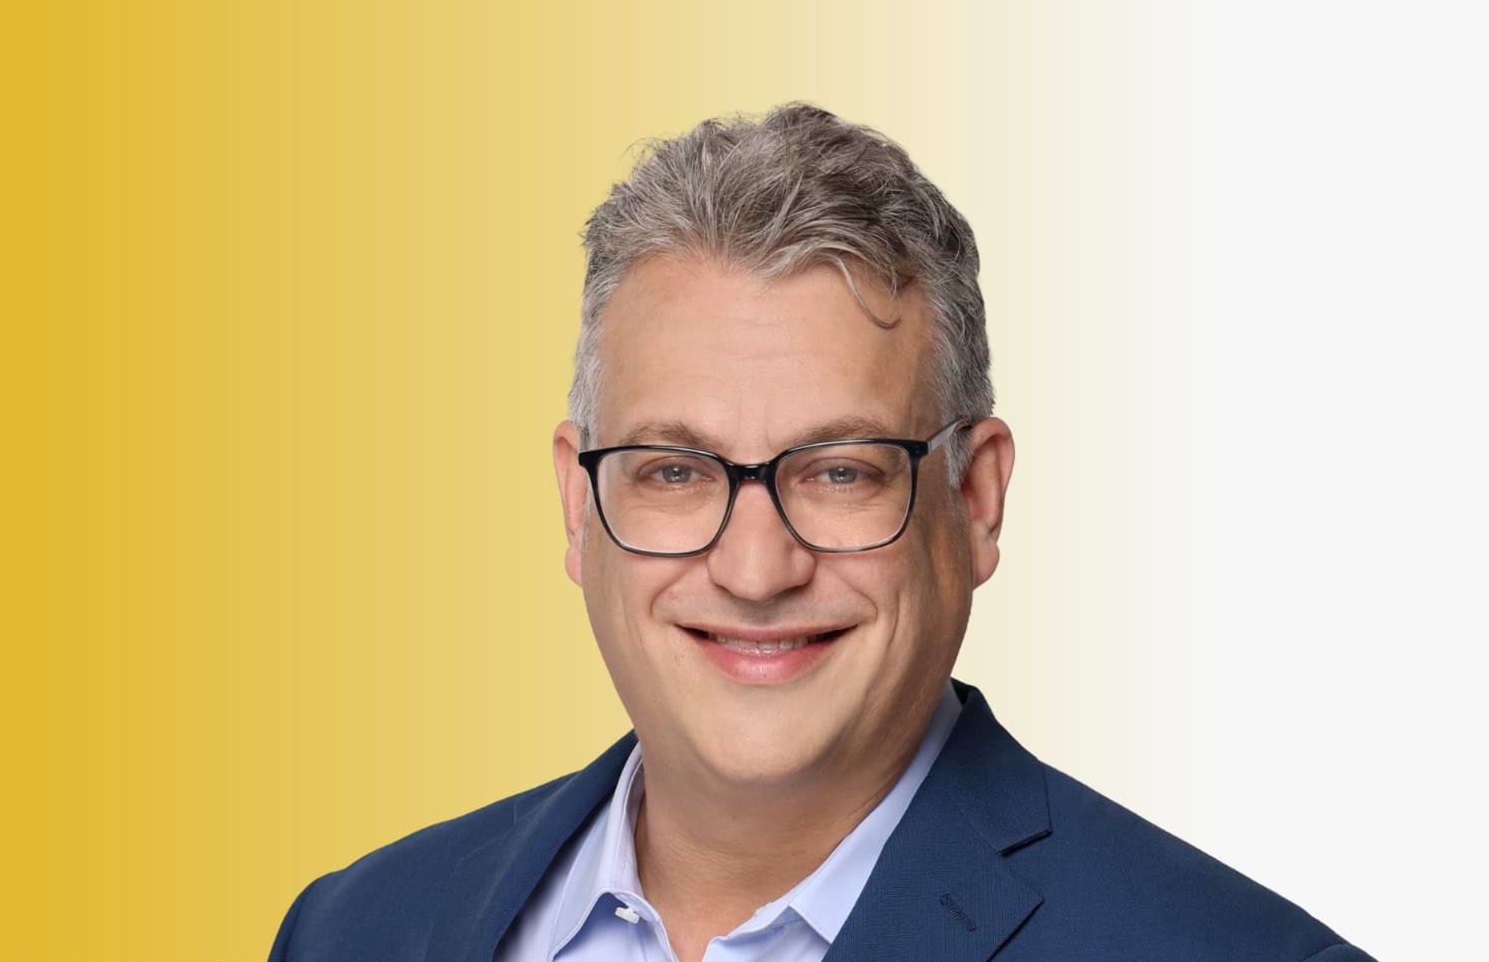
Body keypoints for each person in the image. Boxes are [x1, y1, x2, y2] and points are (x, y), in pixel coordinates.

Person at [270, 104, 1374, 962]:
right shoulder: (353, 929)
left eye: (840, 471)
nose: (755, 569)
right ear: (578, 505)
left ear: (975, 499)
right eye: (674, 471)